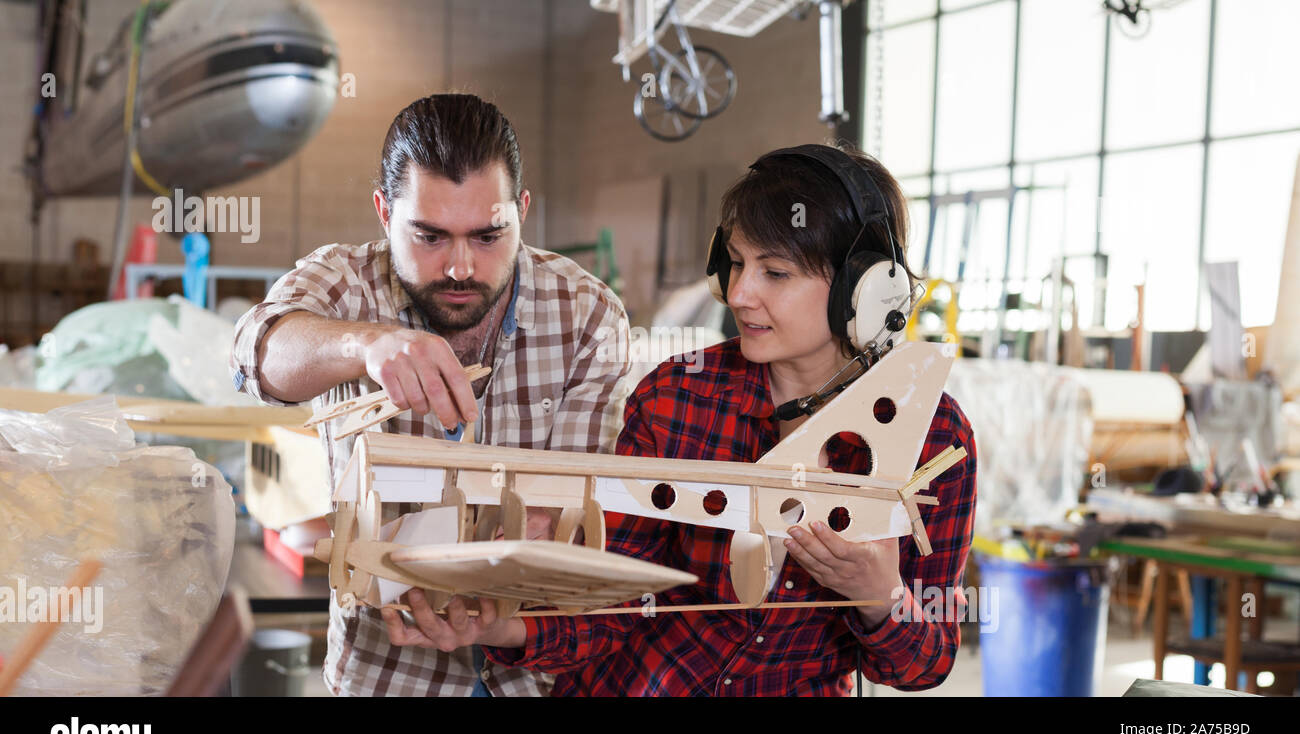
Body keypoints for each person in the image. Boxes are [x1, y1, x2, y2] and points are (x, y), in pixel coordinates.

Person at [380, 142, 979, 696]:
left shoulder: (935, 441)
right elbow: (611, 598)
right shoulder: (678, 396)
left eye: (775, 273)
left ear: (865, 290)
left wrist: (881, 596)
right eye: (737, 264)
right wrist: (495, 629)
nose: (739, 294)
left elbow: (922, 664)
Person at [230, 93, 631, 697]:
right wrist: (364, 345)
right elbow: (254, 353)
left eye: (489, 236)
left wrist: (536, 540)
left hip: (534, 675)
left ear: (522, 211)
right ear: (383, 212)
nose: (462, 267)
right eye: (431, 237)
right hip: (385, 675)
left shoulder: (587, 313)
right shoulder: (347, 283)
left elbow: (580, 489)